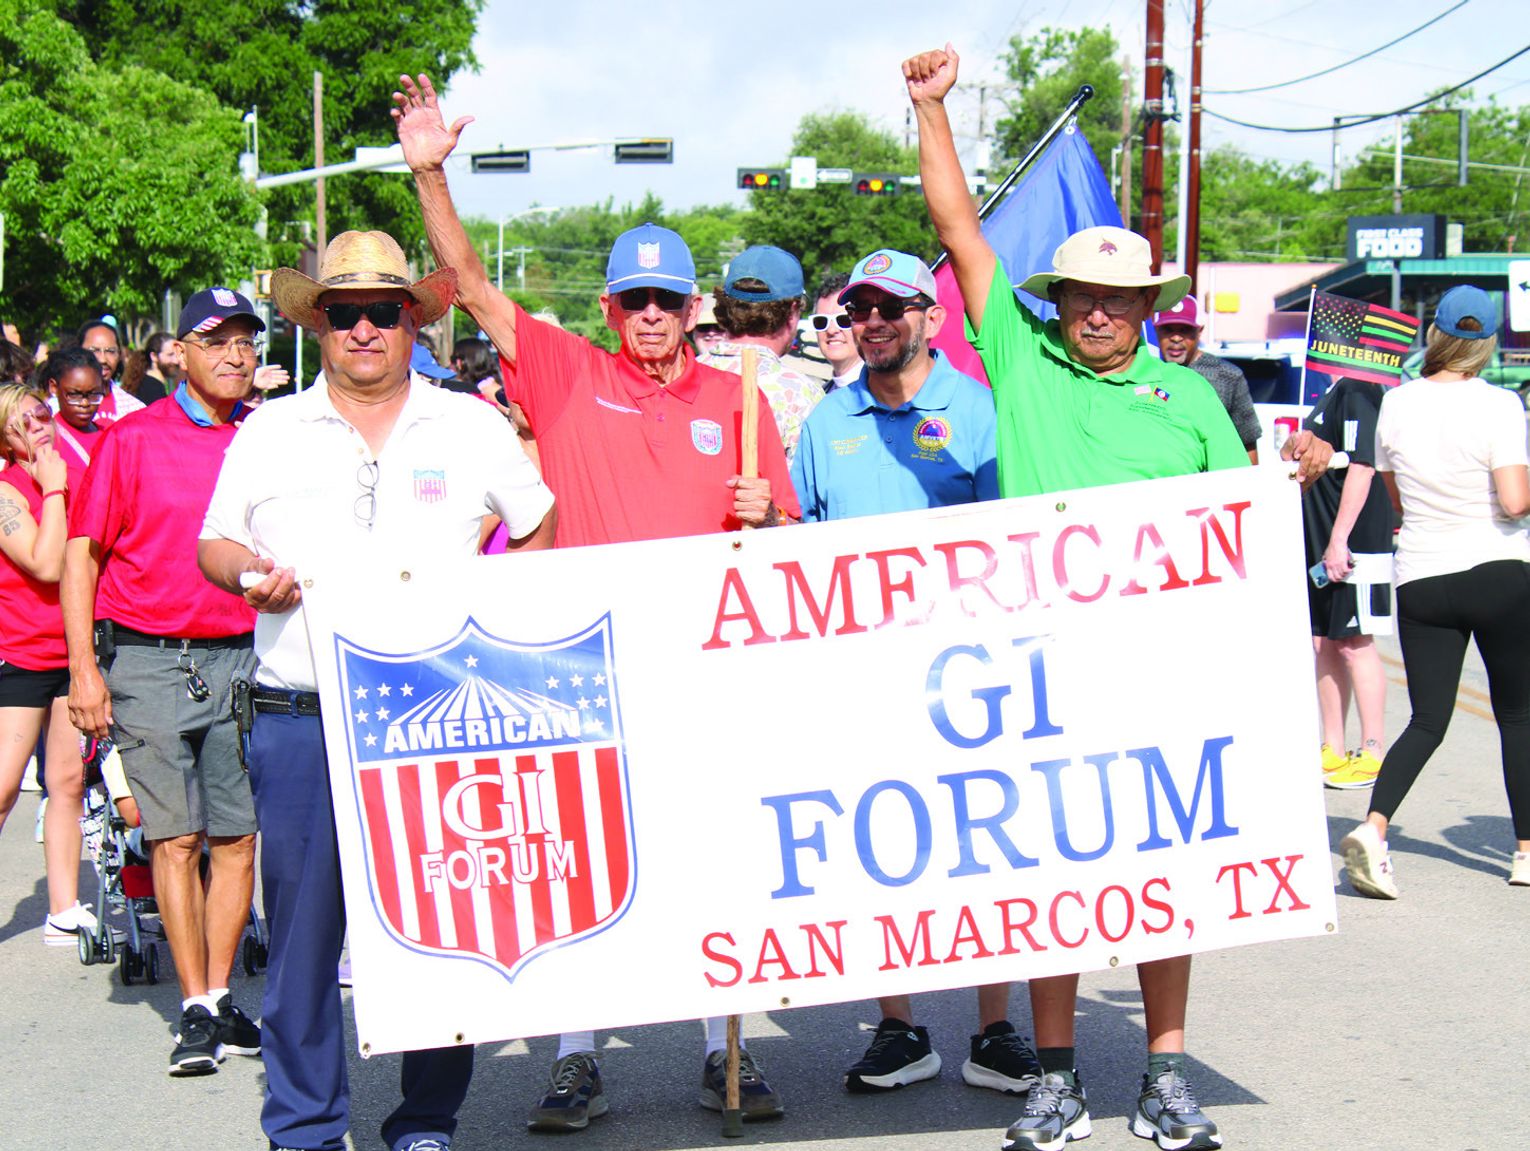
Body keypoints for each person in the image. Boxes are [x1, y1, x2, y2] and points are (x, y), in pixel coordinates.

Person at [904, 42, 1332, 1151]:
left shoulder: (1191, 395)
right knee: (1050, 876)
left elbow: (1233, 530)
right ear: (1062, 301)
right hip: (1037, 669)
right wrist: (932, 111)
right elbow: (959, 229)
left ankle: (1164, 1072)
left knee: (1161, 880)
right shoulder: (1024, 352)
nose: (1095, 313)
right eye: (1081, 296)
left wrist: (1292, 475)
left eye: (1116, 299)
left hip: (1157, 675)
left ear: (1147, 304)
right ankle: (1055, 1077)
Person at [394, 70, 797, 1132]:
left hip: (706, 669)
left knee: (715, 858)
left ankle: (726, 1049)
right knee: (576, 860)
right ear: (609, 307)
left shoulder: (741, 397)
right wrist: (433, 173)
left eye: (670, 299)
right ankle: (576, 1056)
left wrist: (771, 515)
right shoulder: (570, 373)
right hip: (586, 664)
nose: (654, 315)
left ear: (695, 307)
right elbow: (472, 281)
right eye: (635, 299)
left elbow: (793, 552)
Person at [198, 229, 556, 1151]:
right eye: (343, 311)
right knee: (305, 948)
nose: (363, 328)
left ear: (413, 321)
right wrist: (248, 575)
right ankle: (306, 1126)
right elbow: (214, 544)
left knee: (441, 931)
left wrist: (494, 607)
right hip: (302, 719)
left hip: (435, 725)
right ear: (317, 324)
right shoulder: (270, 429)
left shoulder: (469, 423)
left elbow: (540, 522)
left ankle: (425, 1119)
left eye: (382, 311)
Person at [793, 251, 1034, 1096]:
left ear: (931, 315)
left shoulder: (980, 410)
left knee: (987, 842)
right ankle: (899, 1025)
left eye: (894, 305)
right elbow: (801, 546)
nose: (876, 320)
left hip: (971, 675)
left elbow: (1019, 537)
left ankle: (995, 1026)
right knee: (879, 846)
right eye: (860, 308)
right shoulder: (828, 422)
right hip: (864, 679)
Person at [62, 288, 263, 1077]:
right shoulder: (132, 438)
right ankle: (196, 1003)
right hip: (146, 657)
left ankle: (216, 996)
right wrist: (84, 667)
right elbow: (84, 553)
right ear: (179, 351)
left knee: (239, 837)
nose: (235, 355)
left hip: (243, 657)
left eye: (246, 341)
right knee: (174, 838)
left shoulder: (264, 438)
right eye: (216, 341)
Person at [1339, 286, 1530, 900]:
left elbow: (1395, 499)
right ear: (1488, 340)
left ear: (1437, 334)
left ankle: (1374, 827)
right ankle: (1527, 853)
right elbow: (1514, 501)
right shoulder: (1501, 405)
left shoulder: (1395, 404)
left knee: (1426, 719)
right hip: (1497, 568)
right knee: (1519, 716)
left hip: (1422, 573)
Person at [0, 384, 96, 943]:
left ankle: (62, 906)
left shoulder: (74, 476)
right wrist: (53, 489)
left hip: (72, 651)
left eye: (41, 415)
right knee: (6, 788)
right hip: (21, 655)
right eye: (22, 423)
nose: (39, 427)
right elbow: (44, 562)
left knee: (66, 781)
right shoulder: (9, 490)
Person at [1302, 376, 1394, 790]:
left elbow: (1363, 465)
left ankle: (1373, 750)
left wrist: (1339, 540)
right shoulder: (1332, 389)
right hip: (1322, 532)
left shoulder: (1361, 389)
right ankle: (1332, 747)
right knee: (1323, 640)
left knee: (1355, 643)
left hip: (1353, 534)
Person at [699, 245, 823, 461]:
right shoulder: (801, 395)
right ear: (793, 311)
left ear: (724, 306)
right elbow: (803, 489)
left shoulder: (684, 377)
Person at [1152, 297, 1261, 462]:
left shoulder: (1227, 376)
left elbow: (1247, 442)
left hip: (1210, 480)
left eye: (1184, 330)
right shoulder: (1146, 374)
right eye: (1168, 329)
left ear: (1199, 331)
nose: (1176, 338)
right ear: (1157, 331)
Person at [36, 348, 108, 490]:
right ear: (54, 387)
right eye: (74, 395)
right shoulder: (44, 440)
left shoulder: (109, 435)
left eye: (94, 394)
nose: (85, 403)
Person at [74, 320, 145, 425]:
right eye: (94, 350)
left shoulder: (136, 410)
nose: (103, 359)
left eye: (110, 351)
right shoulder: (57, 407)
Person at [810, 271, 864, 392]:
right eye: (821, 321)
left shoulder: (883, 394)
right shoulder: (819, 397)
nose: (831, 330)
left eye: (843, 320)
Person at [140, 332, 186, 403]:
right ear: (154, 356)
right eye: (170, 355)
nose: (176, 361)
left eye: (177, 354)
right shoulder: (153, 391)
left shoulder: (145, 383)